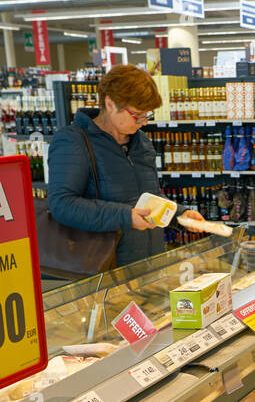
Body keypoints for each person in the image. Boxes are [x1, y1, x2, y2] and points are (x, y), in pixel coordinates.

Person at [48, 65, 204, 267]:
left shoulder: (141, 142)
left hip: (150, 264)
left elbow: (149, 197)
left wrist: (178, 214)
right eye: (138, 114)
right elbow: (62, 204)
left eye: (147, 115)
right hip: (105, 270)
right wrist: (125, 217)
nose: (144, 122)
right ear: (110, 104)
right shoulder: (73, 142)